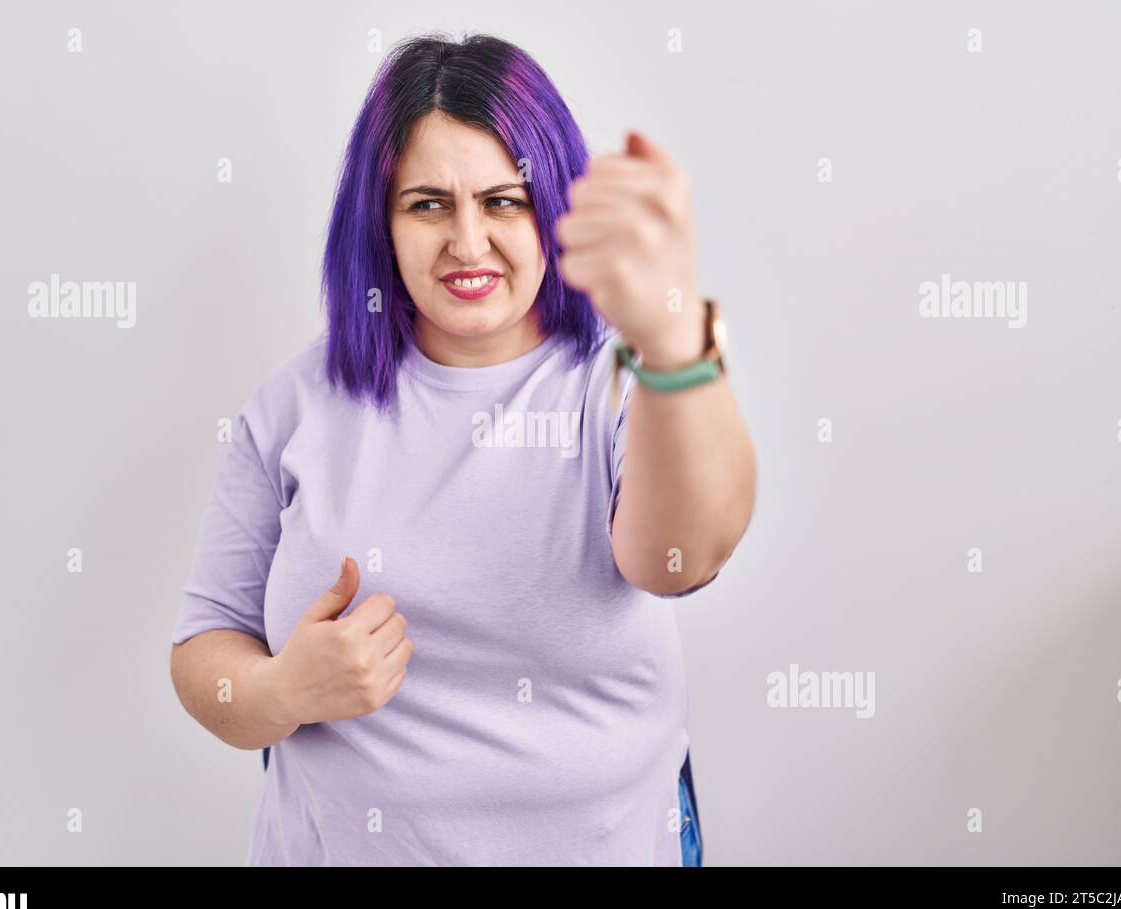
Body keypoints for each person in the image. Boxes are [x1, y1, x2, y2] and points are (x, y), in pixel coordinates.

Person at [169, 31, 756, 866]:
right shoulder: (293, 405)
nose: (469, 243)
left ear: (552, 207)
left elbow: (681, 559)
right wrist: (282, 689)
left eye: (504, 201)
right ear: (380, 222)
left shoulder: (620, 383)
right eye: (428, 204)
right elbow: (205, 650)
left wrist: (673, 341)